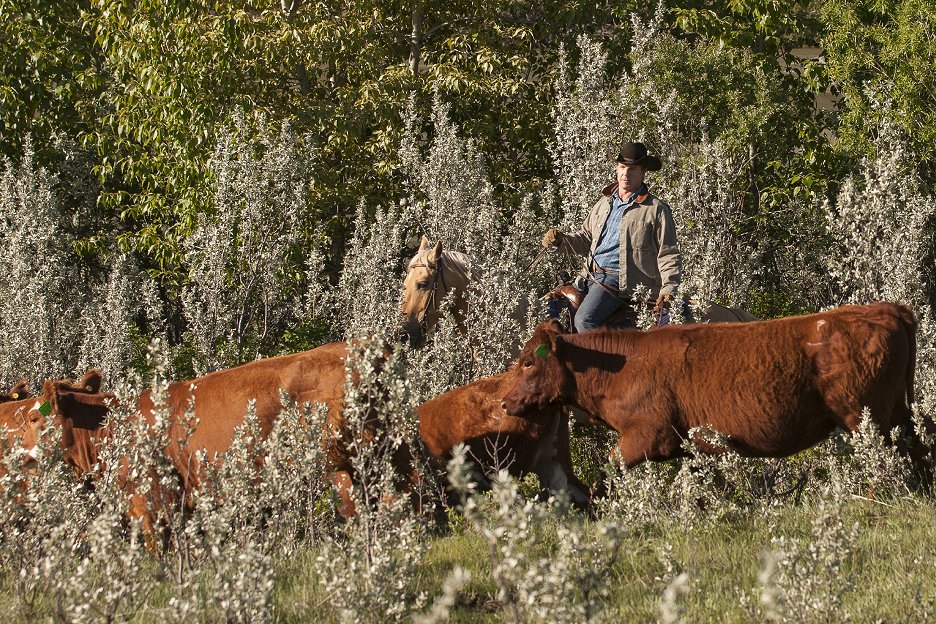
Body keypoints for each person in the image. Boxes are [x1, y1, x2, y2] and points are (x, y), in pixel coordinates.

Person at [542, 142, 681, 332]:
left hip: (618, 280)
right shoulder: (604, 203)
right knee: (547, 312)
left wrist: (668, 289)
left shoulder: (656, 210)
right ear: (616, 168)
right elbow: (584, 238)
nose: (626, 173)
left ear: (643, 173)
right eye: (622, 167)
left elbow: (668, 253)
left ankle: (599, 361)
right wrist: (561, 240)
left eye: (633, 169)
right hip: (587, 277)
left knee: (584, 320)